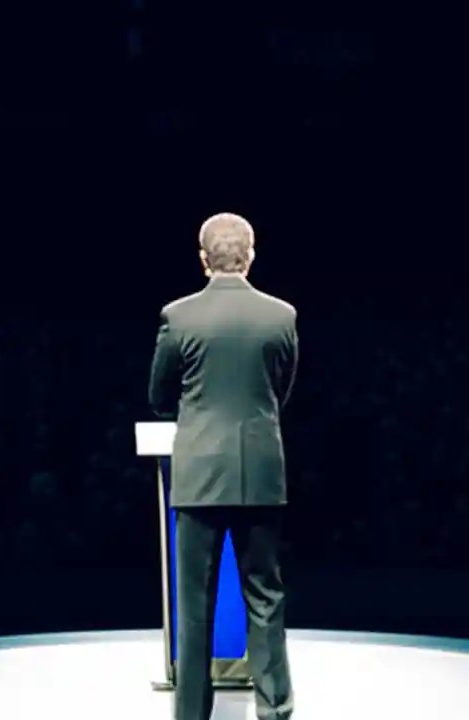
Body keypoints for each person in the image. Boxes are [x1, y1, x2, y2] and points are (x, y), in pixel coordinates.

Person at [148, 212, 297, 720]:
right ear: (251, 255)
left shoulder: (178, 316)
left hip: (198, 478)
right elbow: (282, 390)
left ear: (203, 258)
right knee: (265, 597)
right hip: (260, 472)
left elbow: (159, 395)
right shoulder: (282, 316)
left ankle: (191, 715)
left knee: (195, 608)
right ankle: (275, 709)